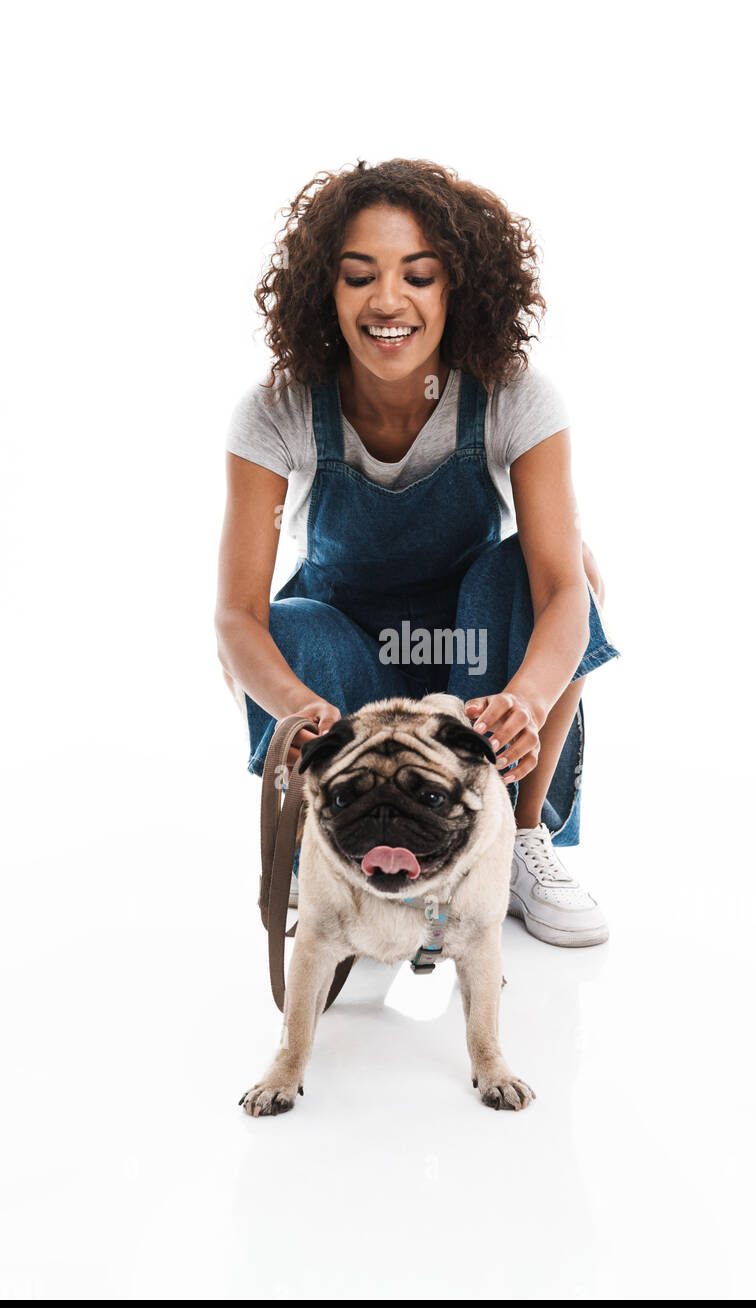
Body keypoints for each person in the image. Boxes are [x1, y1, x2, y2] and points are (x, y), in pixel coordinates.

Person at [216, 158, 619, 947]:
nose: (388, 301)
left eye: (420, 276)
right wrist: (297, 709)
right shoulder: (279, 410)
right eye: (359, 276)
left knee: (560, 565)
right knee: (288, 623)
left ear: (456, 290)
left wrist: (528, 704)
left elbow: (564, 592)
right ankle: (337, 856)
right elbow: (235, 615)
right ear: (324, 294)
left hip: (473, 668)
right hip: (351, 676)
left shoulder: (513, 394)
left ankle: (518, 838)